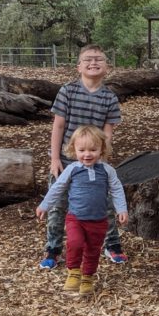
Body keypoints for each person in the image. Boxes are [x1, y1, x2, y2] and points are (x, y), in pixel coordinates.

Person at [39, 44, 127, 269]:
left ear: (107, 67)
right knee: (58, 203)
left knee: (104, 203)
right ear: (79, 66)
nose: (93, 62)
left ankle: (112, 244)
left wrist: (103, 160)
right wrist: (55, 159)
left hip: (95, 160)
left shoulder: (109, 98)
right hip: (67, 158)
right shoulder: (67, 91)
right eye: (88, 59)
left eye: (99, 59)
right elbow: (58, 126)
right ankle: (53, 249)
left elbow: (108, 132)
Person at [36, 125, 129, 296]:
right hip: (76, 218)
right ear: (74, 150)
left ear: (102, 150)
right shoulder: (73, 169)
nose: (87, 154)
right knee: (74, 243)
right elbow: (58, 188)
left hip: (99, 220)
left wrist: (121, 209)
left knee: (93, 250)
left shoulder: (107, 170)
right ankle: (73, 273)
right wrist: (45, 205)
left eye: (93, 150)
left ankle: (87, 278)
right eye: (82, 150)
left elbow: (116, 189)